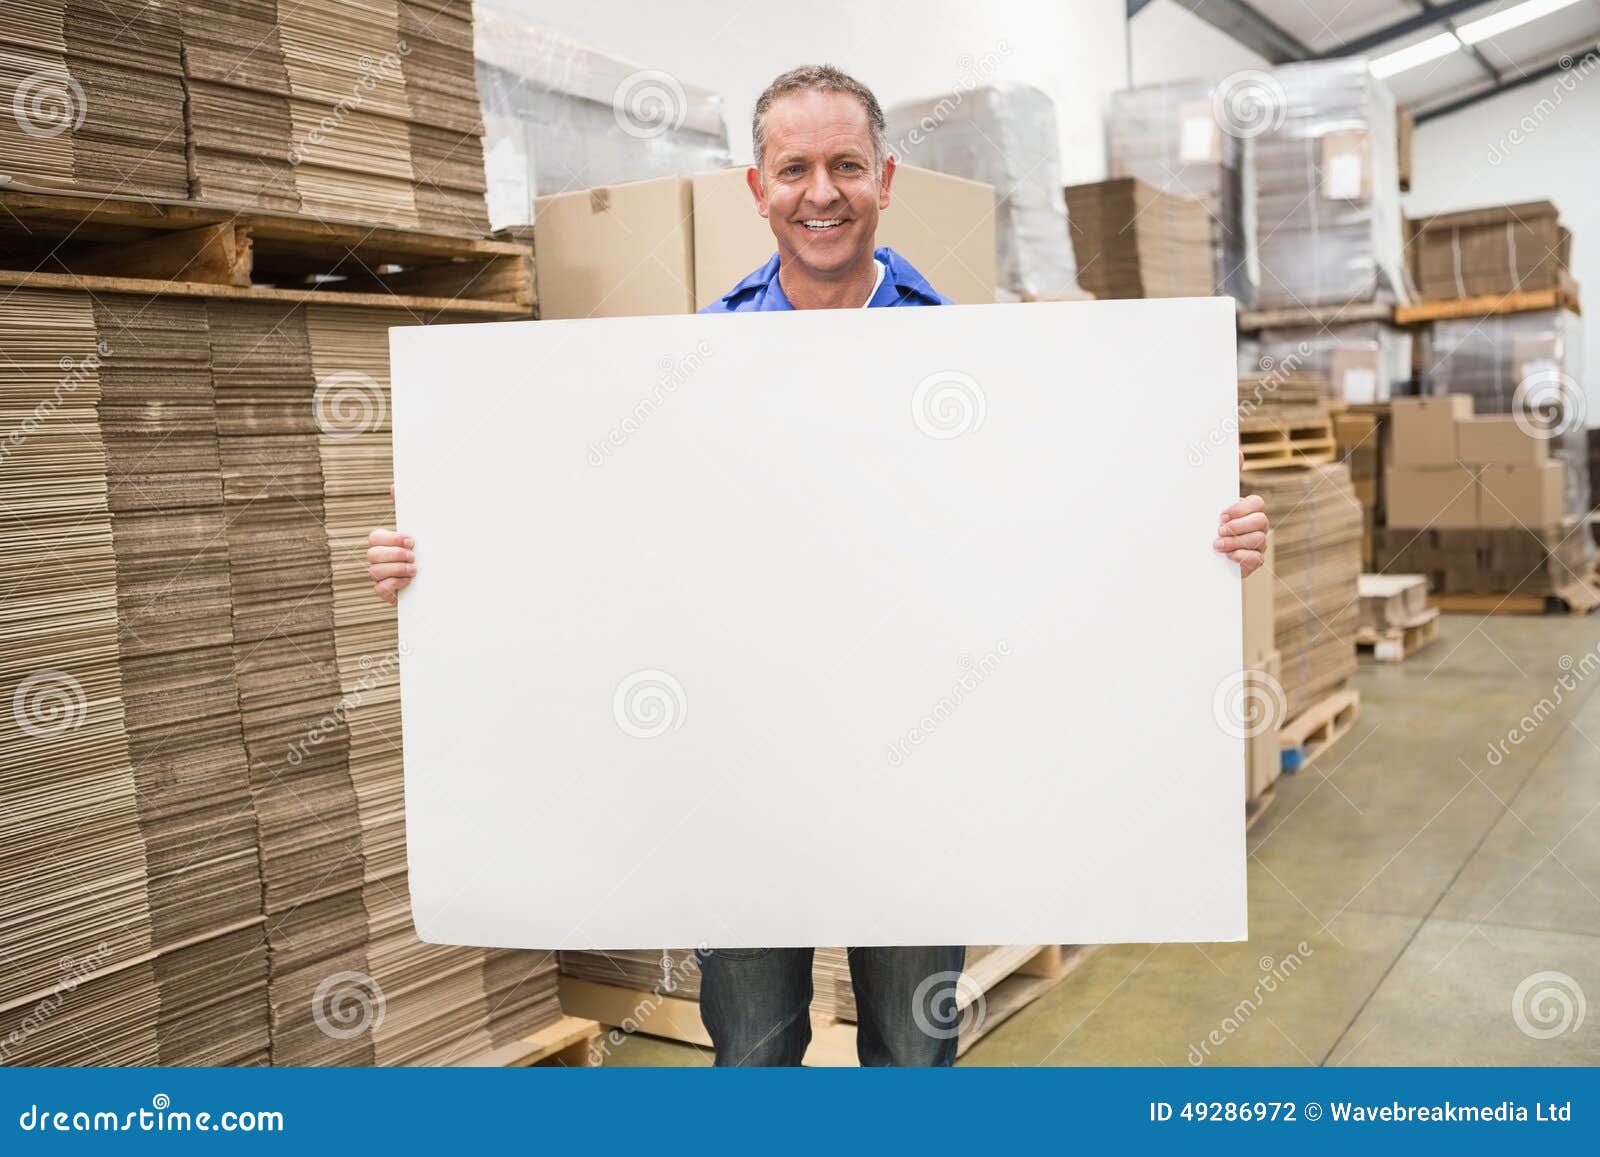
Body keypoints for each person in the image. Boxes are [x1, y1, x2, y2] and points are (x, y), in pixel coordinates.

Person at [367, 64, 1269, 1068]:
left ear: (885, 178)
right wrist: (443, 559)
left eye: (845, 164)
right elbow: (605, 531)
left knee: (911, 1054)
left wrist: (1198, 537)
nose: (821, 192)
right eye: (793, 169)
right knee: (753, 1051)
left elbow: (1054, 520)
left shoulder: (960, 352)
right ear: (758, 189)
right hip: (748, 761)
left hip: (921, 760)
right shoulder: (699, 358)